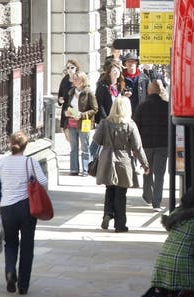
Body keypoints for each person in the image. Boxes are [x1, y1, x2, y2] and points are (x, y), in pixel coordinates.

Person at [0, 130, 48, 295]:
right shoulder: (30, 162)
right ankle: (23, 285)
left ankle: (10, 272)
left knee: (10, 243)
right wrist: (31, 180)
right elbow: (43, 181)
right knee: (27, 245)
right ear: (26, 146)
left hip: (7, 208)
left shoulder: (2, 162)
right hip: (28, 207)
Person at [91, 95, 149, 233]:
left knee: (109, 189)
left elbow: (95, 142)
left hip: (106, 159)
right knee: (121, 193)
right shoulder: (130, 124)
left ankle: (107, 214)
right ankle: (120, 225)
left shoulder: (105, 123)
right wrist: (145, 164)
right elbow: (137, 147)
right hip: (123, 160)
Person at [133, 79, 169, 210]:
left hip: (146, 145)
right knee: (160, 173)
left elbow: (136, 127)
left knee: (147, 170)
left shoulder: (141, 106)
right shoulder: (167, 106)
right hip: (163, 144)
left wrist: (135, 146)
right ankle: (157, 202)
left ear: (148, 91)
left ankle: (147, 195)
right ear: (160, 91)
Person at [63, 71, 98, 175]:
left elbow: (95, 109)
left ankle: (86, 169)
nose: (76, 81)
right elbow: (67, 106)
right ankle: (74, 169)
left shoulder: (89, 92)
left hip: (83, 123)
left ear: (83, 80)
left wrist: (82, 115)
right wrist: (67, 112)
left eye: (78, 79)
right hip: (71, 122)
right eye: (74, 79)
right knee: (73, 147)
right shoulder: (71, 92)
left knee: (85, 147)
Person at [57, 59, 81, 140]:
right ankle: (74, 147)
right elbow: (60, 93)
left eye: (72, 67)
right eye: (68, 68)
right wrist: (60, 100)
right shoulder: (65, 79)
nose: (70, 70)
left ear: (76, 68)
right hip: (66, 108)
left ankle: (76, 149)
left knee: (76, 130)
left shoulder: (79, 78)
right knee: (66, 130)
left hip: (76, 108)